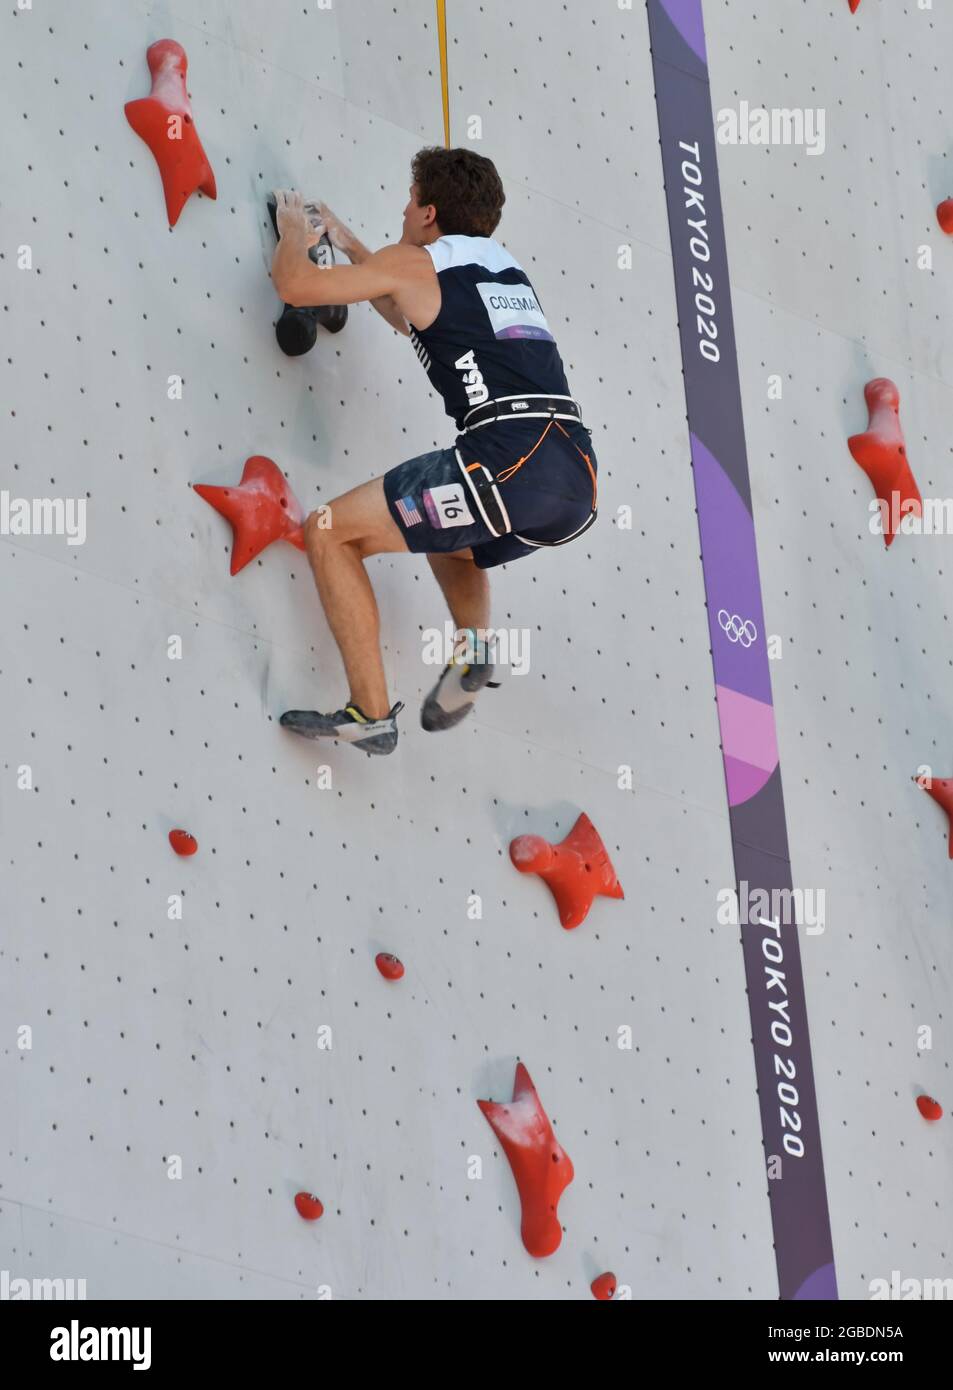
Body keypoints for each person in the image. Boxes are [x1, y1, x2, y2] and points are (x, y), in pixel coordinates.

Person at [271, 147, 598, 755]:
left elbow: (296, 283)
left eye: (409, 195)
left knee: (328, 531)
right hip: (572, 477)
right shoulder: (504, 270)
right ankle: (473, 653)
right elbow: (407, 313)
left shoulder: (419, 261)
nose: (401, 206)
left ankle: (369, 712)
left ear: (427, 210)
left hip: (506, 459)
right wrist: (348, 241)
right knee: (450, 535)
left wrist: (295, 232)